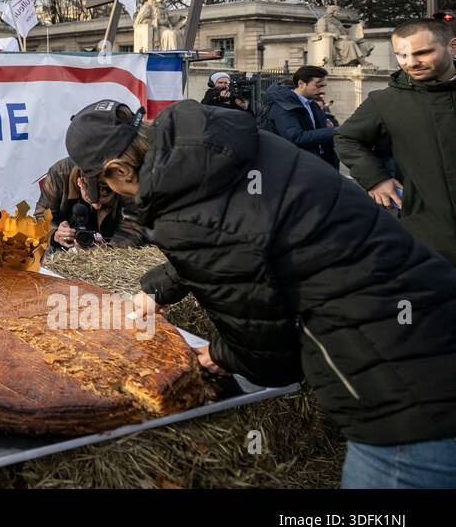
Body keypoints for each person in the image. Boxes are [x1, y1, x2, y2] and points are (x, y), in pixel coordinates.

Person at [65, 98, 456, 488]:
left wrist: (220, 355)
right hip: (434, 309)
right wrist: (159, 289)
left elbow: (270, 357)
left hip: (399, 381)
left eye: (103, 183)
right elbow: (242, 228)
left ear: (117, 170)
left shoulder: (184, 220)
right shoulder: (223, 146)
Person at [337, 18, 456, 267]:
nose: (410, 62)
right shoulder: (384, 101)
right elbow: (346, 138)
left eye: (423, 52)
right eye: (401, 55)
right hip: (429, 235)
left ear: (452, 47)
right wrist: (375, 179)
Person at [36, 155, 148, 253]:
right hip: (64, 246)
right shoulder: (59, 173)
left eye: (104, 201)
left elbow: (133, 227)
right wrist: (55, 234)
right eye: (91, 200)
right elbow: (40, 217)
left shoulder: (124, 178)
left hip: (109, 240)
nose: (97, 207)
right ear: (80, 182)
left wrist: (109, 250)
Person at [259, 65, 338, 170]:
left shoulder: (311, 104)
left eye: (324, 86)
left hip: (313, 165)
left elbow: (317, 130)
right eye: (318, 86)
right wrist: (334, 131)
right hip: (293, 169)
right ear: (301, 84)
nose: (323, 90)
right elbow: (296, 138)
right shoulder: (283, 106)